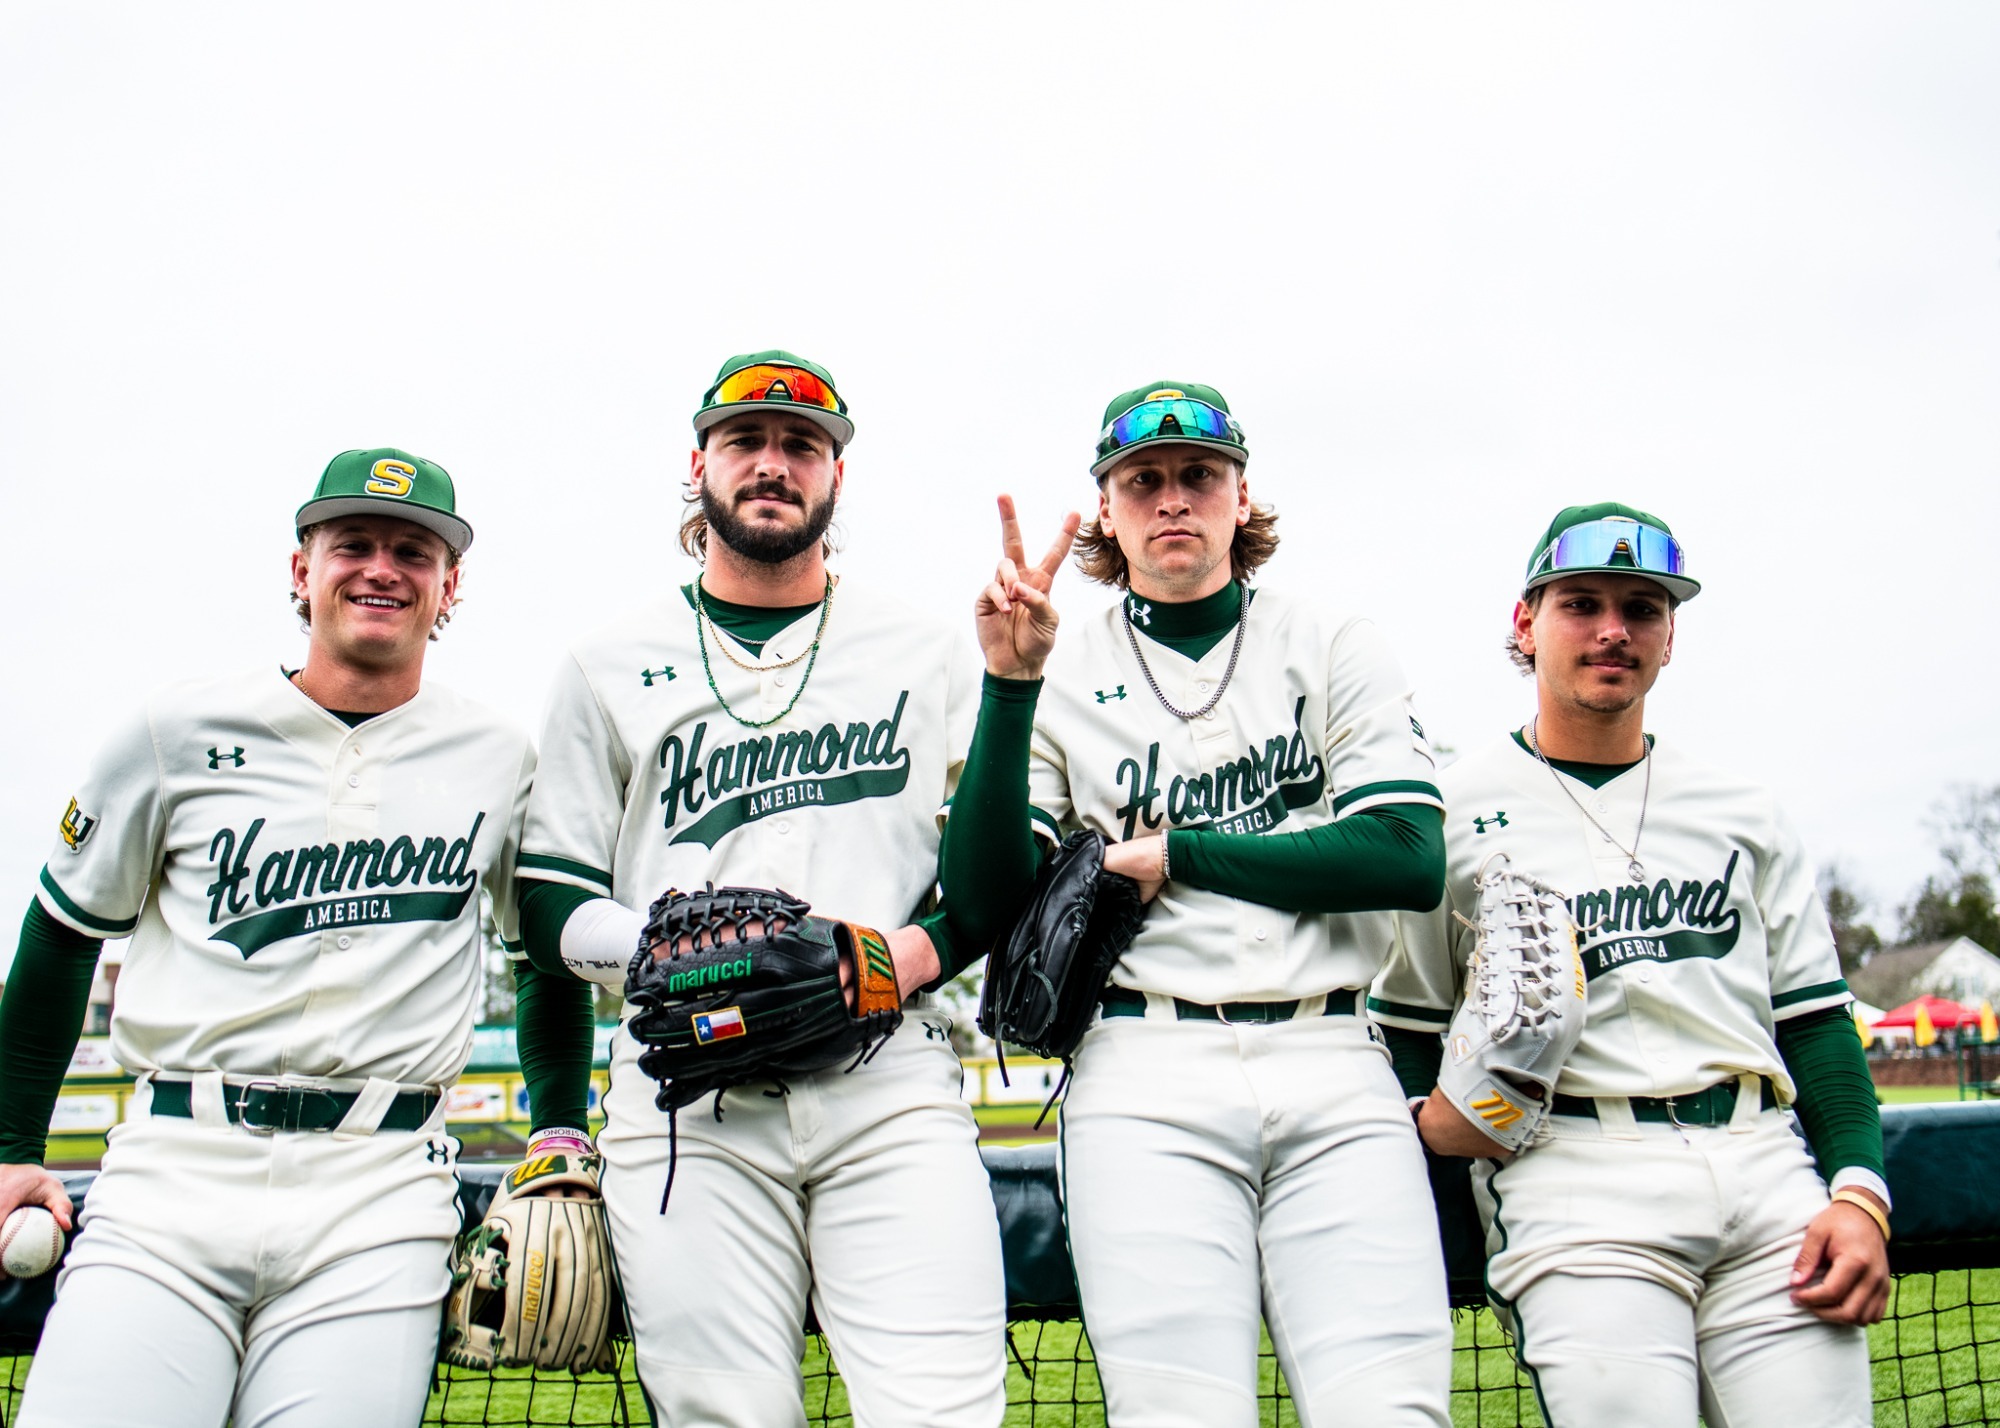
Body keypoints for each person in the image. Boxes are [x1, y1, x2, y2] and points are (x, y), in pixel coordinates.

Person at [944, 381, 1455, 1426]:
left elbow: (1406, 857)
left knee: (1393, 1409)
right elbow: (985, 898)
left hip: (1332, 1056)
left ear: (1240, 495)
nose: (1171, 498)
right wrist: (1008, 686)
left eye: (1198, 475)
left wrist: (1177, 852)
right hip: (1143, 1067)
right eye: (1142, 481)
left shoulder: (1331, 641)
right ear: (1105, 508)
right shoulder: (1061, 669)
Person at [511, 350, 1007, 1427]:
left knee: (942, 1409)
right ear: (698, 465)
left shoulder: (925, 654)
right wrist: (679, 958)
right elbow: (547, 901)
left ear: (837, 476)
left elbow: (992, 878)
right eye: (744, 441)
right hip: (688, 1100)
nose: (772, 463)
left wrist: (893, 958)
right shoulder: (606, 663)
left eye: (801, 446)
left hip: (887, 1077)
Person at [0, 450, 534, 1428]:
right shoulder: (177, 730)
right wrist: (7, 1147)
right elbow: (63, 930)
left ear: (449, 585)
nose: (381, 569)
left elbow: (542, 959)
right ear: (302, 569)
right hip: (174, 1171)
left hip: (380, 1191)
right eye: (353, 544)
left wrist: (559, 1136)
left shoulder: (498, 758)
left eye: (413, 551)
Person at [1371, 502, 1890, 1427]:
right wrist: (1427, 1119)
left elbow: (1814, 1020)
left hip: (1765, 1166)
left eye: (1642, 609)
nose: (1613, 630)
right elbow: (1403, 1028)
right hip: (1572, 1173)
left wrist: (1859, 1194)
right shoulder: (1449, 814)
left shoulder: (1742, 809)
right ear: (1526, 624)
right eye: (1581, 604)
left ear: (1670, 637)